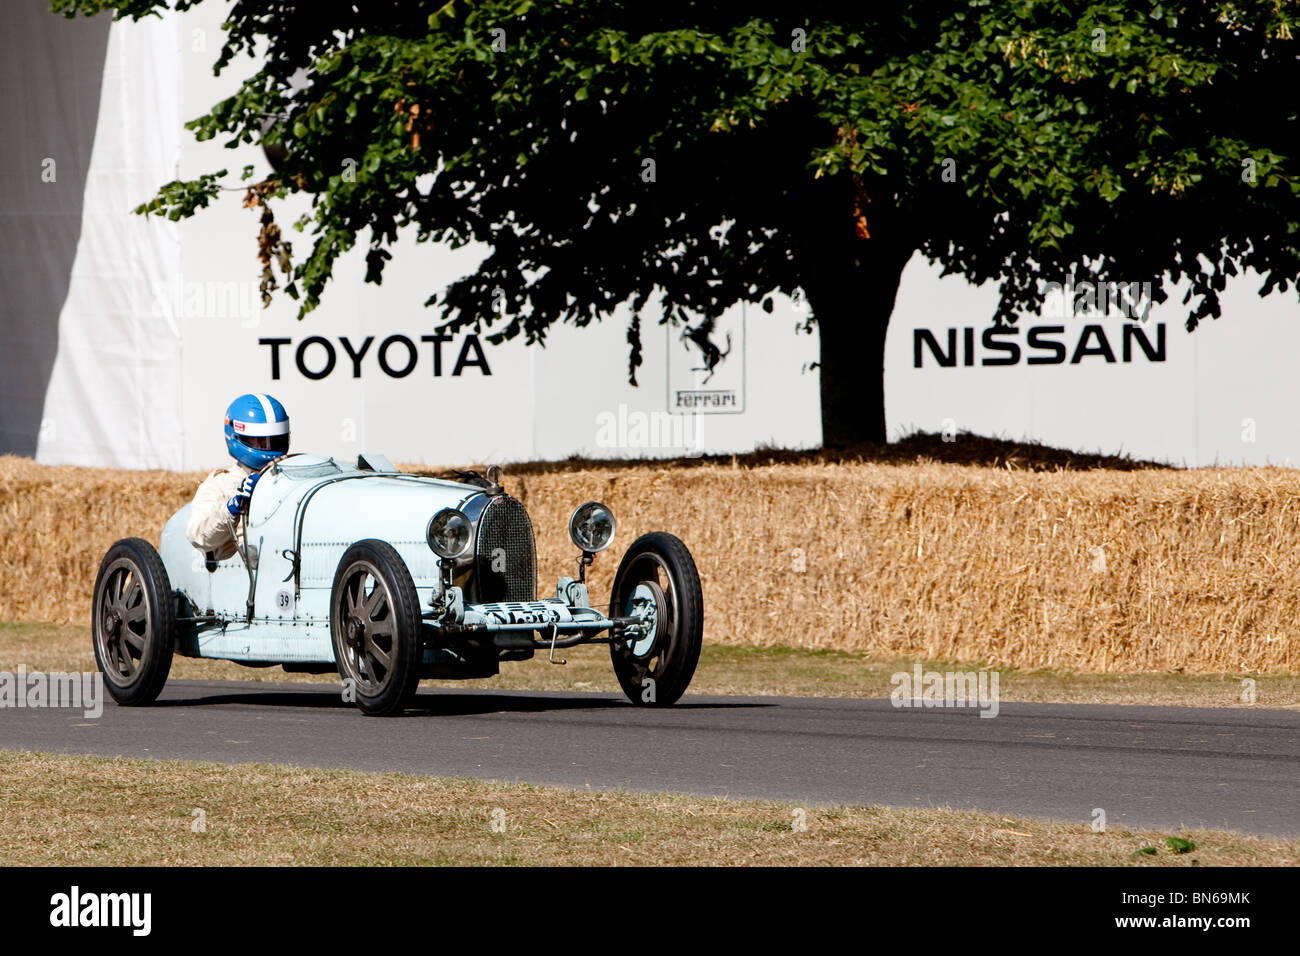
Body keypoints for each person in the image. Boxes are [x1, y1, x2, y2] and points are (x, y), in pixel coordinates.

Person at [186, 393, 290, 560]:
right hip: (248, 565)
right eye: (260, 441)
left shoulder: (291, 474)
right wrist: (233, 507)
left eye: (275, 440)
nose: (268, 446)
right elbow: (198, 536)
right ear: (238, 436)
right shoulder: (221, 482)